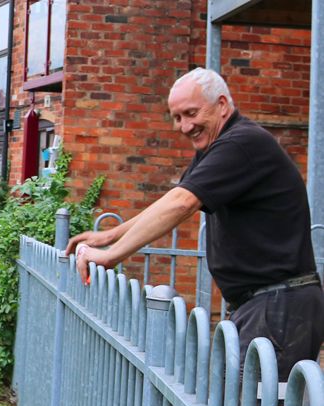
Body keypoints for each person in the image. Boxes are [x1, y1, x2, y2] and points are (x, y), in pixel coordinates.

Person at [66, 67, 324, 381]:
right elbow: (173, 198)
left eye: (191, 113)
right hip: (264, 303)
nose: (185, 126)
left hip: (278, 305)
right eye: (177, 117)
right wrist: (110, 235)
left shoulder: (242, 144)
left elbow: (182, 203)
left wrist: (111, 256)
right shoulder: (217, 146)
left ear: (222, 105)